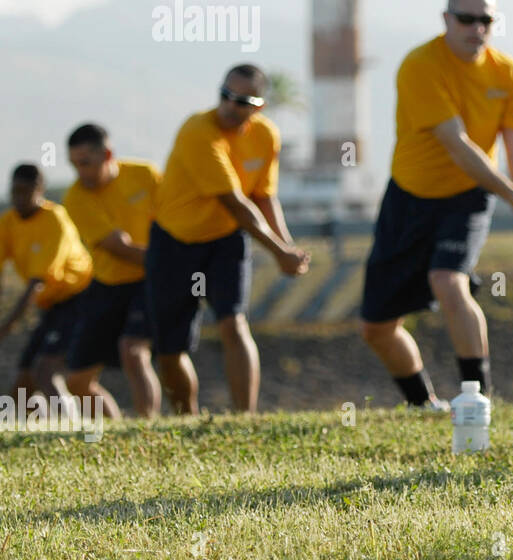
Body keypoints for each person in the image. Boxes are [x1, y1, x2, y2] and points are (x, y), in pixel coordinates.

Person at [360, 0, 513, 409]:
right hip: (409, 199)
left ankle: (476, 402)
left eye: (486, 20)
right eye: (466, 19)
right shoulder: (421, 64)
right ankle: (423, 405)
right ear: (447, 20)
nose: (476, 28)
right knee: (376, 327)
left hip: (468, 196)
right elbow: (459, 145)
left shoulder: (508, 73)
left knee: (448, 281)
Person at [147, 64, 309, 413]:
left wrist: (288, 246)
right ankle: (185, 420)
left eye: (241, 100)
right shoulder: (197, 130)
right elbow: (236, 202)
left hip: (224, 241)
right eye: (225, 95)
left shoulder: (266, 136)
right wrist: (281, 253)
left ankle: (244, 419)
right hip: (176, 243)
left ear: (259, 106)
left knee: (234, 323)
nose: (229, 105)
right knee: (170, 348)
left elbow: (264, 197)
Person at [63, 124, 163, 418]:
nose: (80, 172)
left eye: (85, 163)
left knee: (133, 351)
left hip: (147, 283)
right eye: (74, 164)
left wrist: (173, 264)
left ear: (107, 154)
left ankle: (148, 430)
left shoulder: (146, 175)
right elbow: (119, 248)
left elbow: (172, 221)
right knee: (77, 380)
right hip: (107, 286)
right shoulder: (75, 198)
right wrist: (169, 263)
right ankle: (115, 430)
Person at [0, 164, 93, 409]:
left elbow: (36, 285)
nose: (18, 198)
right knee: (23, 383)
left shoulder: (55, 220)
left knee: (45, 371)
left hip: (79, 300)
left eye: (24, 191)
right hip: (51, 306)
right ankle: (16, 434)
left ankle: (73, 430)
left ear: (39, 190)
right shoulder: (8, 223)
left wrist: (7, 326)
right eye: (14, 191)